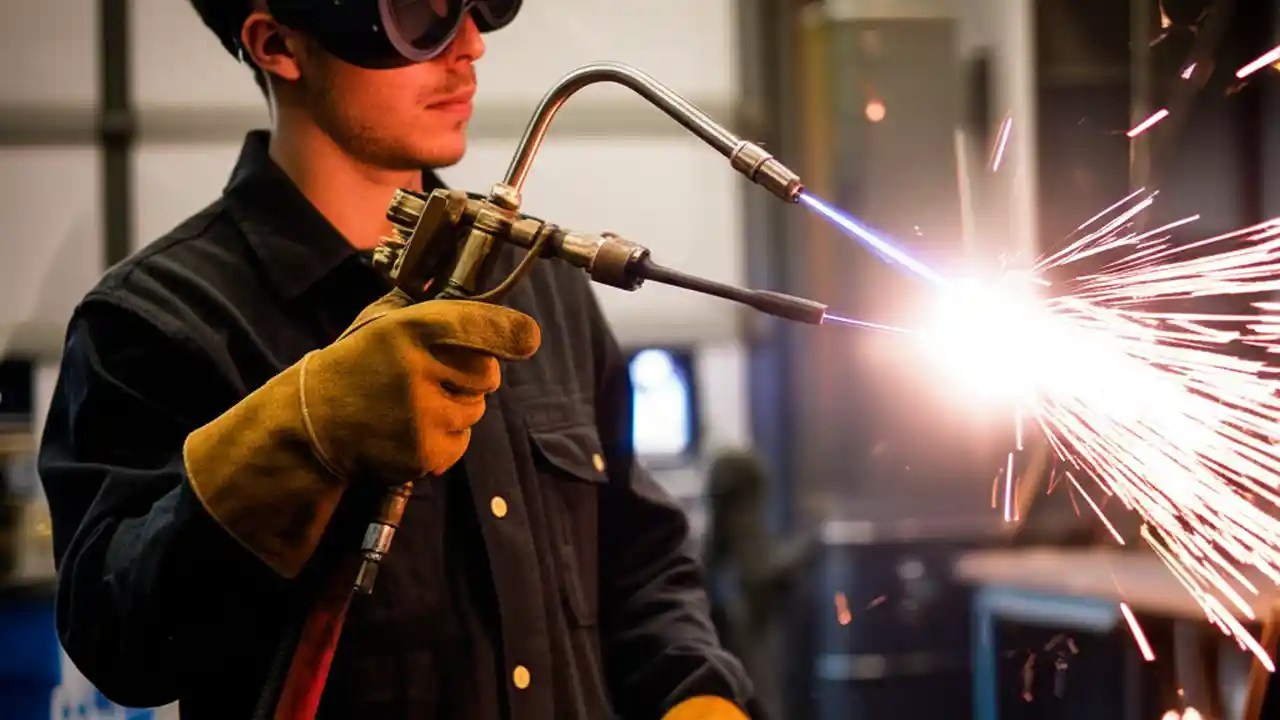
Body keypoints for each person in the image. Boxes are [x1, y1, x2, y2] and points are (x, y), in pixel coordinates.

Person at [36, 1, 757, 718]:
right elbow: (120, 640)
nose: (469, 46)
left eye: (477, 8)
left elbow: (642, 562)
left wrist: (697, 698)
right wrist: (304, 434)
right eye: (421, 15)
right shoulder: (156, 322)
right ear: (278, 44)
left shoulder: (534, 281)